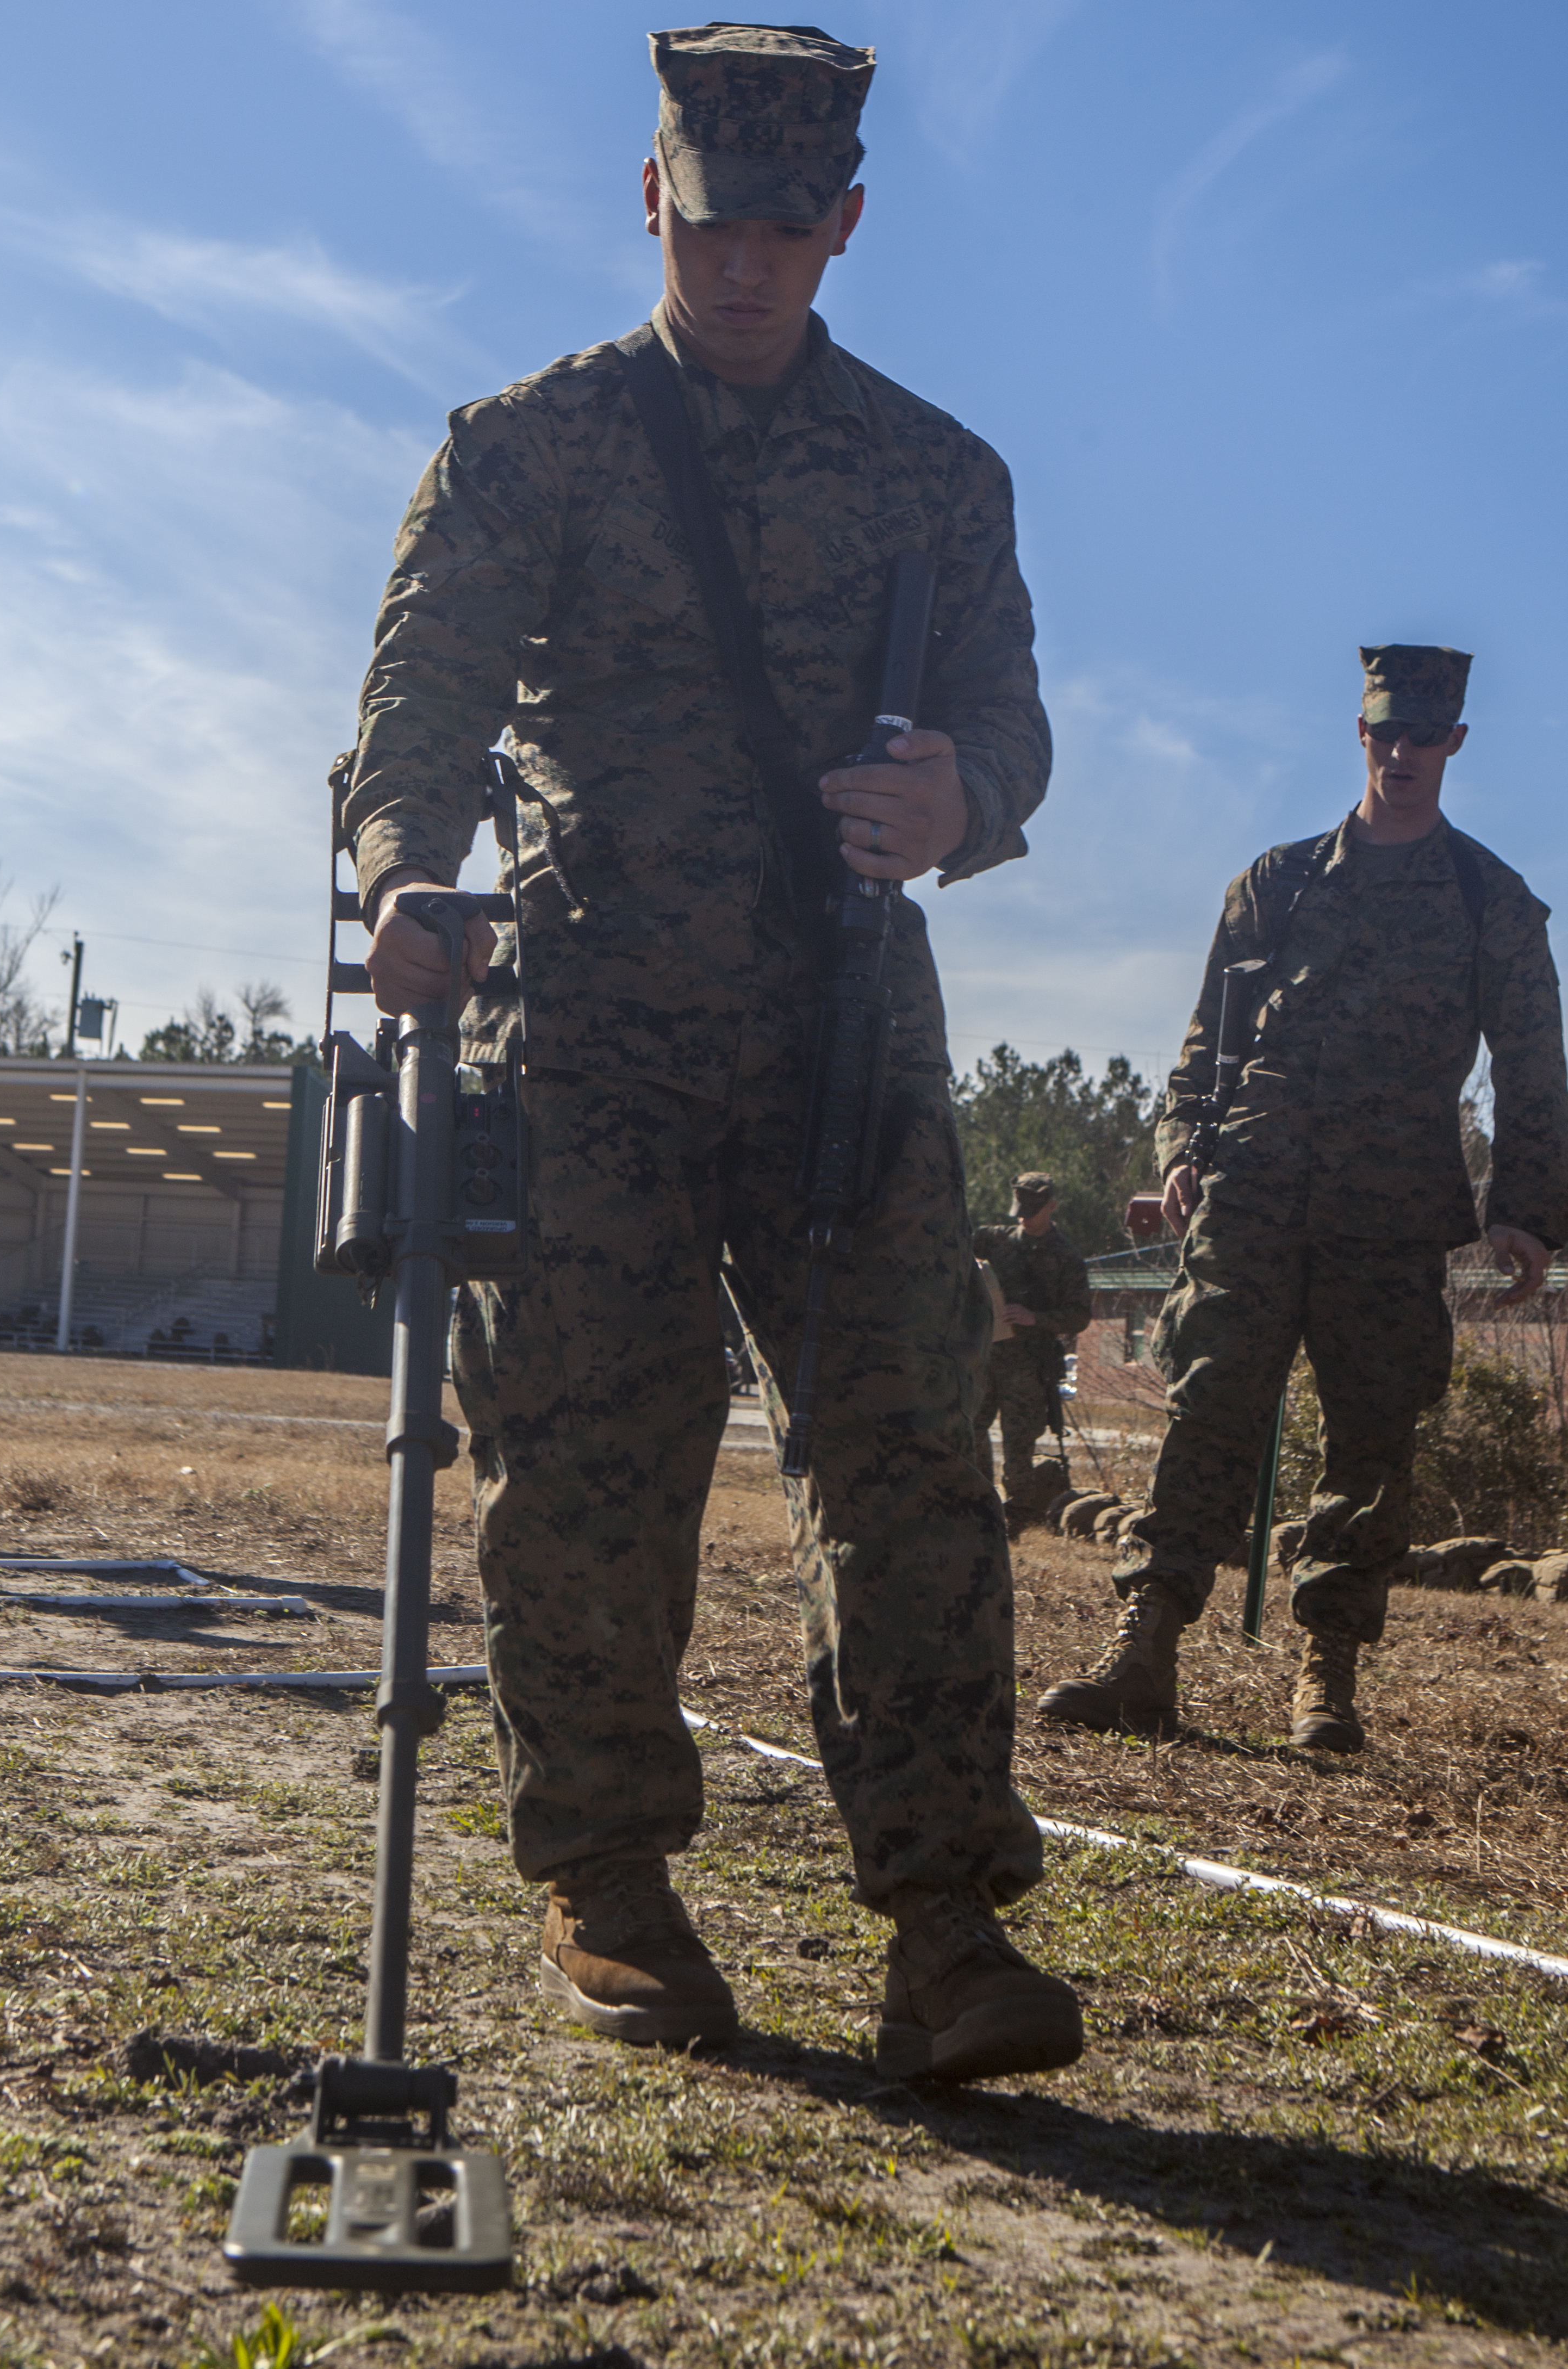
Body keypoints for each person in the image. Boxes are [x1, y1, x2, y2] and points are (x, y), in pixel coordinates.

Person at [343, 23, 1080, 2082]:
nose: (739, 259)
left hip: (846, 1037)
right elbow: (419, 704)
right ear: (642, 196)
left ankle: (943, 1925)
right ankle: (609, 1882)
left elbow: (1011, 728)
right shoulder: (533, 444)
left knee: (912, 1464)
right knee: (592, 1458)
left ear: (841, 221)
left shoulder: (939, 473)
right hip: (589, 1039)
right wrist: (408, 868)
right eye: (705, 215)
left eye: (781, 223)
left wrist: (963, 801)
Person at [1039, 644, 1568, 1752]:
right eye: (1386, 732)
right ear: (1359, 734)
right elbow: (1200, 1049)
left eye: (1424, 736)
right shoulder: (1274, 883)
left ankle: (1324, 1679)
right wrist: (1182, 1148)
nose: (1403, 752)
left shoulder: (1491, 903)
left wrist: (1523, 1209)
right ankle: (1144, 1647)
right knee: (1207, 1415)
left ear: (1454, 744)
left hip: (1389, 1215)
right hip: (1255, 1192)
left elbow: (1533, 1071)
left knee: (1370, 1445)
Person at [972, 1174, 1091, 1530]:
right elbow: (950, 1247)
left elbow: (1079, 1317)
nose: (1023, 1218)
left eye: (1032, 1211)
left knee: (1017, 1449)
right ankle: (978, 1506)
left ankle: (1016, 1520)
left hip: (1028, 1367)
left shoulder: (1066, 1257)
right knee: (970, 1430)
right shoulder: (994, 1241)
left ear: (1051, 1206)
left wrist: (1034, 1318)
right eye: (1019, 1210)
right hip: (986, 1358)